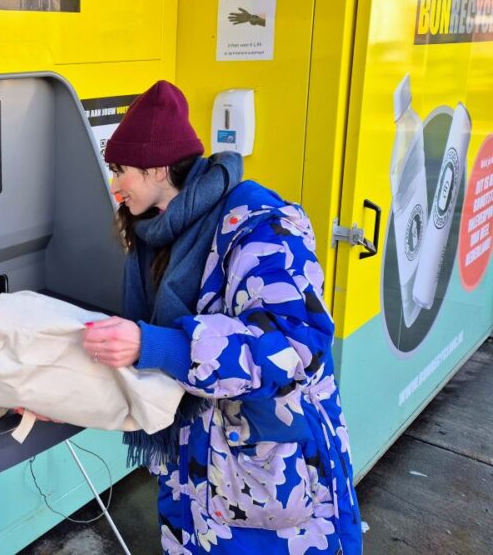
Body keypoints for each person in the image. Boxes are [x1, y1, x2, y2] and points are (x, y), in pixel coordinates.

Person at [82, 81, 362, 554]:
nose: (115, 185)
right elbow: (132, 341)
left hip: (270, 476)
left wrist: (161, 346)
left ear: (156, 168)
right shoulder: (157, 231)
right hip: (193, 475)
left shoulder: (261, 226)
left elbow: (294, 349)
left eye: (121, 170)